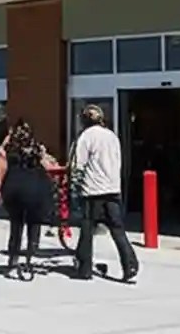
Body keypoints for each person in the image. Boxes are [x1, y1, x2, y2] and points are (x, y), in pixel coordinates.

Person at [71, 104, 138, 282]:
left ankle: (84, 269)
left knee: (87, 229)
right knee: (117, 229)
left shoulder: (86, 136)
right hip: (112, 189)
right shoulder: (112, 136)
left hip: (93, 190)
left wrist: (75, 188)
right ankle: (130, 264)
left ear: (85, 120)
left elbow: (78, 165)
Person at [0, 119, 56, 280]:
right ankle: (29, 260)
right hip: (35, 187)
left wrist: (1, 190)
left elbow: (1, 169)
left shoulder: (8, 148)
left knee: (16, 226)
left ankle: (13, 262)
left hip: (14, 186)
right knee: (34, 224)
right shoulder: (37, 148)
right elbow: (48, 166)